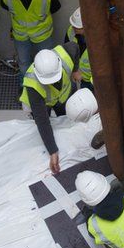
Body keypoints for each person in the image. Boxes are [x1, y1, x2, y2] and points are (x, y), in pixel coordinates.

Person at [20, 43, 82, 174]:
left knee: (65, 120)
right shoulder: (33, 86)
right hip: (45, 104)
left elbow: (75, 47)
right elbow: (42, 120)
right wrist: (52, 151)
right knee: (46, 122)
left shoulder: (67, 54)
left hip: (63, 98)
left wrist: (76, 69)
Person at [1, 0, 62, 83]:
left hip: (43, 37)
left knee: (48, 61)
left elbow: (56, 8)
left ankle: (49, 83)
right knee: (23, 62)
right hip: (21, 37)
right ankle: (26, 84)